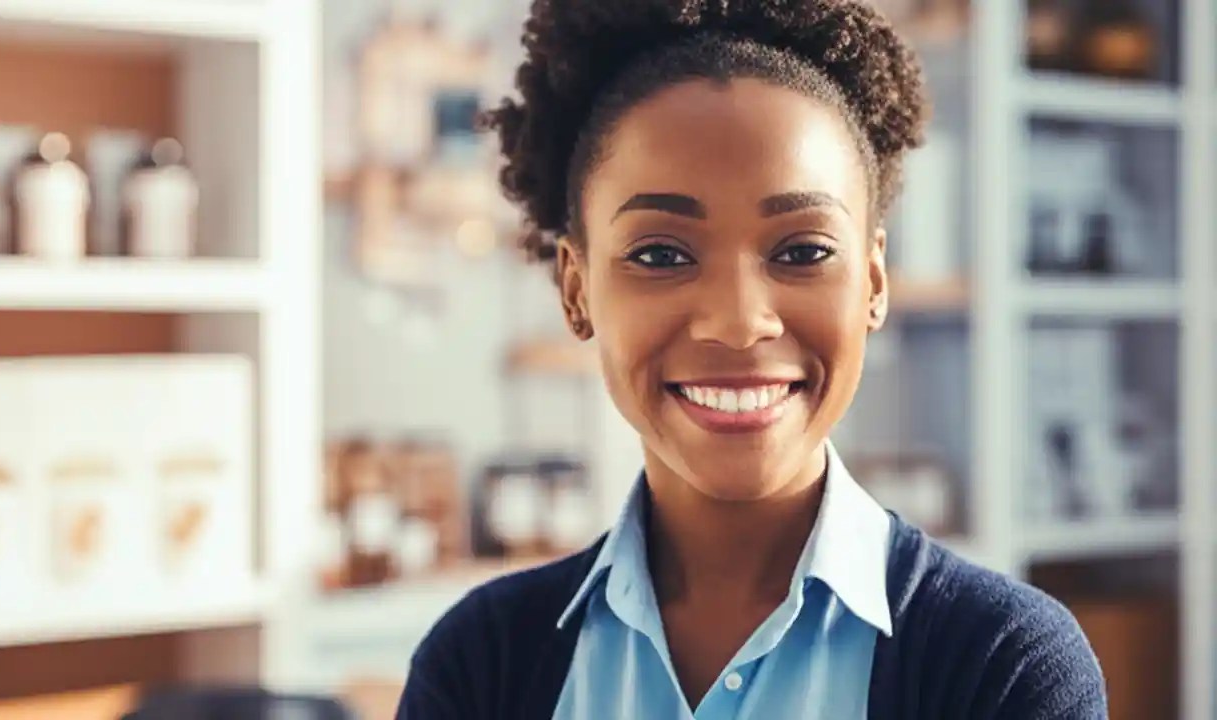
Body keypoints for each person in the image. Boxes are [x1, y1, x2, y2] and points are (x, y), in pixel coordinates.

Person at [398, 1, 1108, 718]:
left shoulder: (1005, 666)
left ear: (873, 282)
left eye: (802, 252)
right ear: (576, 290)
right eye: (660, 254)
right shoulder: (479, 664)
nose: (739, 324)